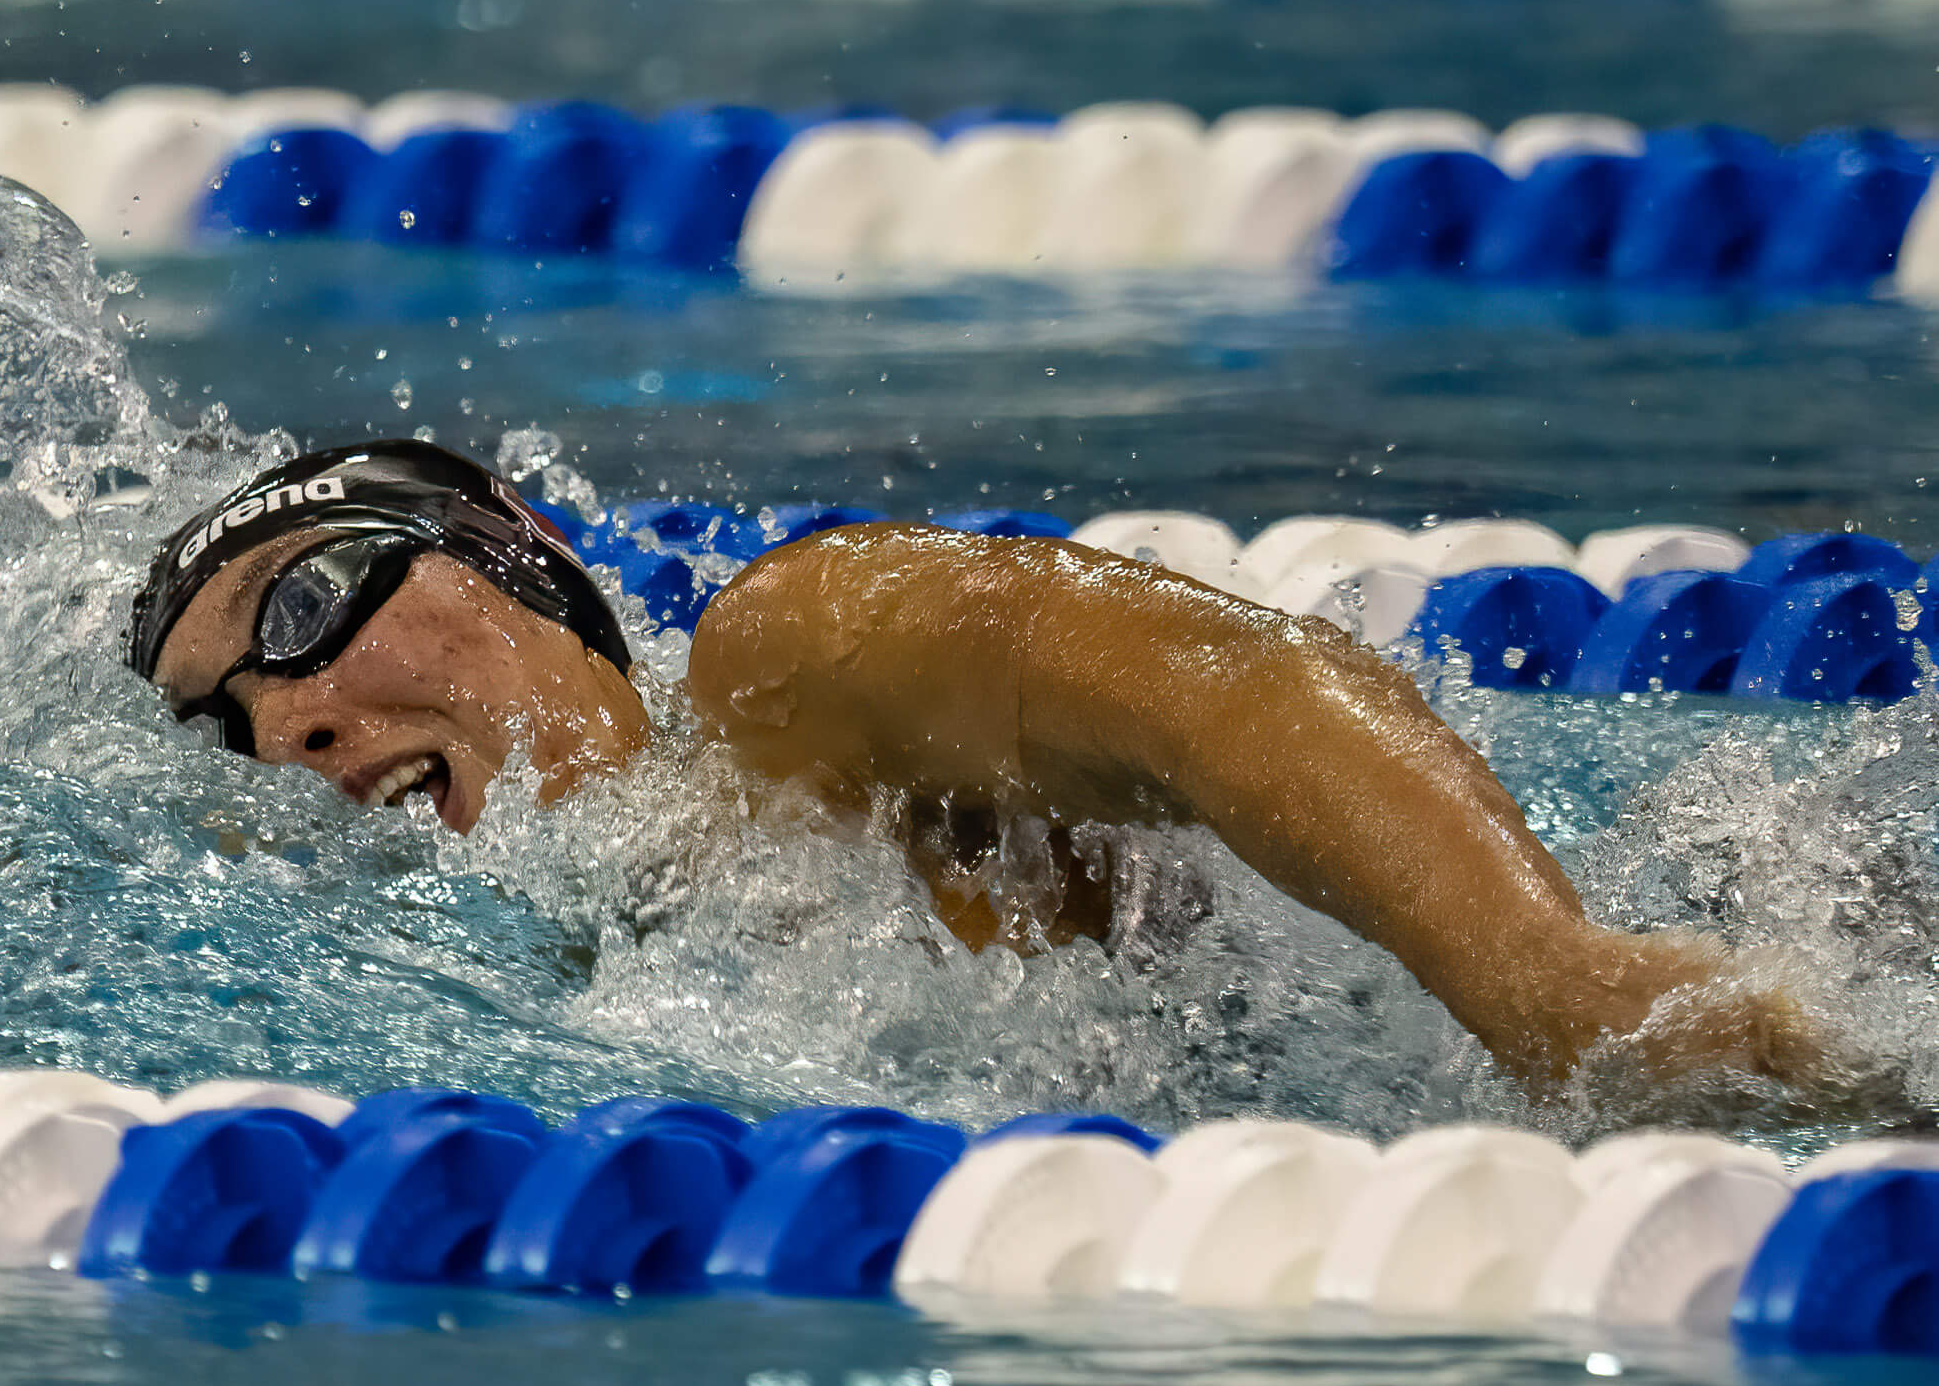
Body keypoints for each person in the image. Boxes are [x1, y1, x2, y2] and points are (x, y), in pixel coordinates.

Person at [129, 437, 1830, 1100]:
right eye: (225, 720)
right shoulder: (521, 999)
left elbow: (1227, 685)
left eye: (304, 606)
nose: (287, 723)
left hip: (1731, 975)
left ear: (516, 548)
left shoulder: (786, 673)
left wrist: (1543, 977)